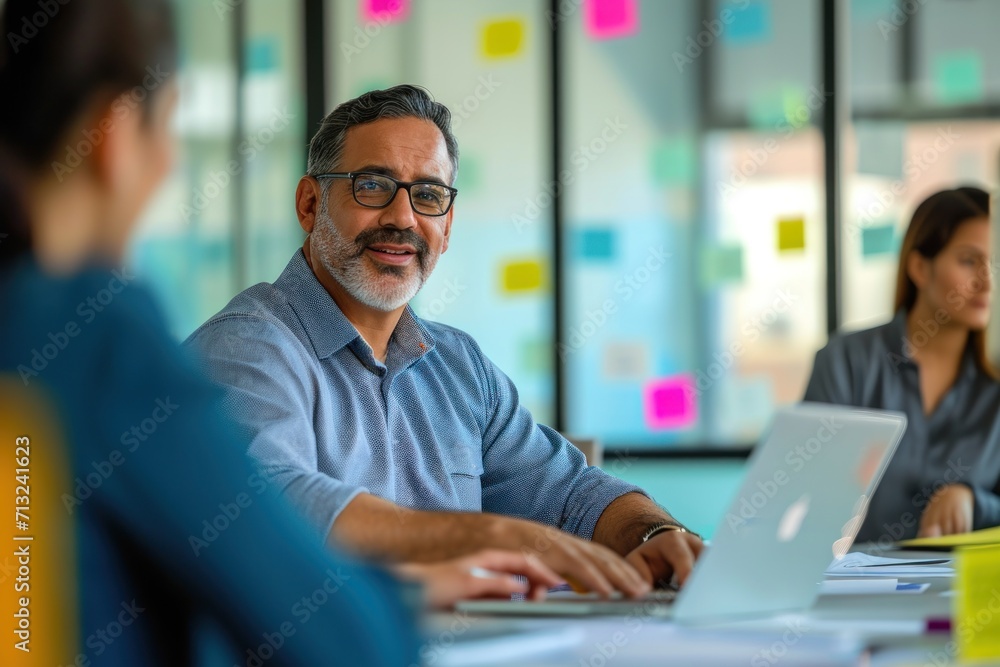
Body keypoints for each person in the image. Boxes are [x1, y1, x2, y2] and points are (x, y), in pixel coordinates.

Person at [0, 2, 558, 665]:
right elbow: (335, 639)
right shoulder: (99, 338)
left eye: (429, 194)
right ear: (117, 138)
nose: (171, 161)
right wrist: (388, 595)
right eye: (169, 127)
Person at [186, 84, 704, 597]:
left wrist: (657, 535)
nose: (402, 218)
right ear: (309, 203)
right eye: (372, 186)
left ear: (447, 226)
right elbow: (267, 505)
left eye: (428, 195)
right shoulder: (245, 349)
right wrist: (498, 535)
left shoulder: (459, 365)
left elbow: (570, 495)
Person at [804, 186, 1000, 543]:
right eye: (969, 261)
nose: (988, 280)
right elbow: (803, 497)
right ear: (920, 268)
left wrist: (975, 502)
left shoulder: (994, 380)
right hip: (852, 592)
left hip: (966, 594)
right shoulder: (846, 362)